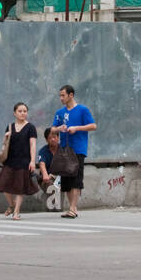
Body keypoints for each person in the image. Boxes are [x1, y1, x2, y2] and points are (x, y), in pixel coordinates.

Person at [53, 84, 96, 219]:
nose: (61, 98)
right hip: (64, 149)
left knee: (76, 177)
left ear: (71, 95)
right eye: (60, 95)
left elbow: (93, 126)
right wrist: (60, 128)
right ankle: (73, 207)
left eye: (63, 95)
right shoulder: (60, 113)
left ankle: (72, 208)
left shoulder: (83, 110)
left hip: (78, 148)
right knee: (66, 178)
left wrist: (76, 128)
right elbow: (52, 129)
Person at [0, 103, 39, 219]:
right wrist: (6, 137)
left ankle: (16, 212)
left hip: (24, 161)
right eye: (20, 111)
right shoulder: (10, 127)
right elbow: (5, 145)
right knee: (3, 185)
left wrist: (32, 161)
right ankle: (11, 205)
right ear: (14, 113)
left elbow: (33, 145)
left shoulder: (30, 127)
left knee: (19, 188)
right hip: (10, 160)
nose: (23, 113)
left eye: (25, 111)